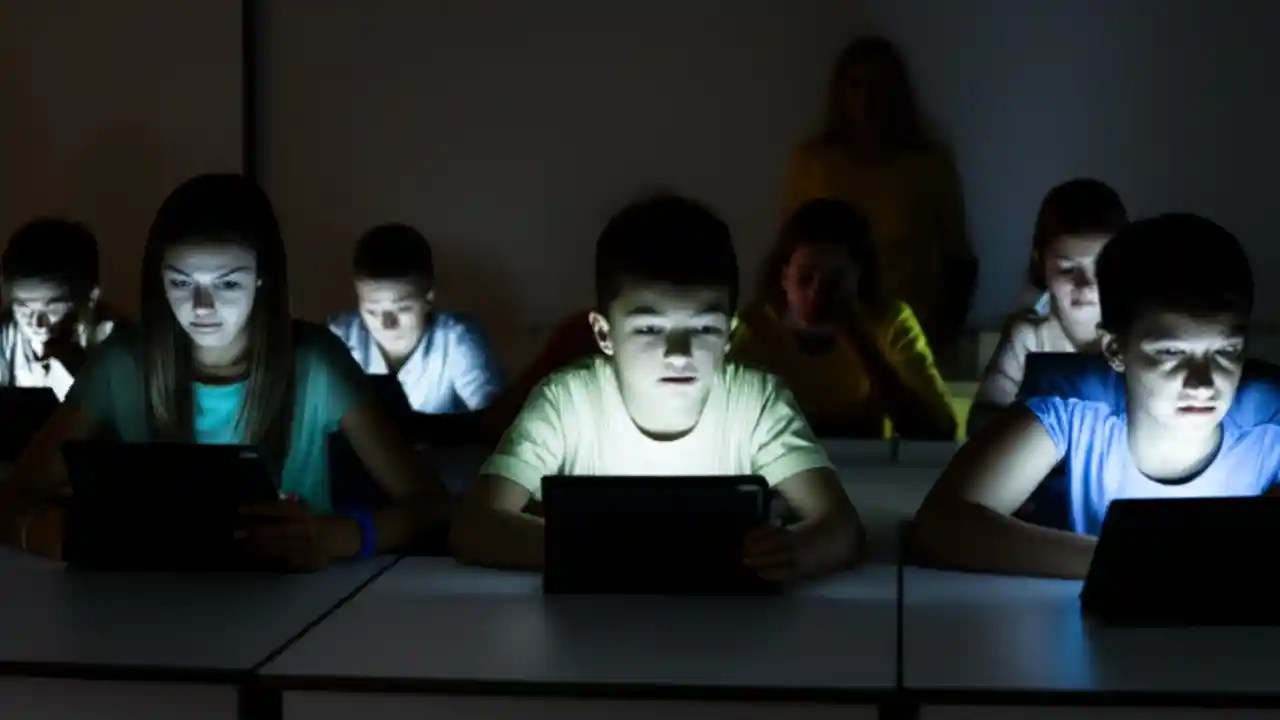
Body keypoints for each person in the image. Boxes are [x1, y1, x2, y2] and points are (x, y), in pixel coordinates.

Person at [0, 174, 447, 569]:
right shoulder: (122, 363)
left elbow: (430, 504)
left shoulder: (314, 362)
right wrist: (56, 533)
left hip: (294, 612)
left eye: (227, 283)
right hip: (142, 606)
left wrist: (340, 537)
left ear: (261, 277)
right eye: (180, 283)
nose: (201, 308)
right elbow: (13, 497)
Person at [450, 193, 864, 581]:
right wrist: (615, 553)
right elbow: (476, 524)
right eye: (650, 328)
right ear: (604, 332)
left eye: (703, 328)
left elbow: (842, 527)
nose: (678, 353)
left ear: (729, 333)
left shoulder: (756, 402)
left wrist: (794, 550)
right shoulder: (566, 402)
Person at [911, 214, 1280, 579]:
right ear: (1115, 350)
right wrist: (1145, 561)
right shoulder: (1073, 413)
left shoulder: (1270, 428)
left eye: (1226, 352)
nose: (1202, 383)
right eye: (1170, 353)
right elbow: (941, 524)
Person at [782, 35, 975, 349]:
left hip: (909, 328)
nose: (868, 98)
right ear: (840, 93)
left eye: (880, 85)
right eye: (856, 85)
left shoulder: (926, 164)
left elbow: (958, 258)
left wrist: (943, 335)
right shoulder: (814, 161)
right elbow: (790, 250)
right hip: (823, 329)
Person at [732, 199, 954, 439]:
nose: (816, 294)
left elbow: (939, 430)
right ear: (784, 277)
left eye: (834, 282)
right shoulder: (754, 328)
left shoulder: (889, 323)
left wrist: (857, 339)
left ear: (859, 278)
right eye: (805, 278)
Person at [968, 179, 1128, 434]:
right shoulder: (1028, 338)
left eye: (1100, 267)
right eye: (1067, 269)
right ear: (1040, 263)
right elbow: (981, 422)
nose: (1085, 284)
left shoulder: (1138, 335)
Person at [329, 223, 505, 414]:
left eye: (402, 309)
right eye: (372, 311)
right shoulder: (338, 338)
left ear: (428, 298)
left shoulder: (457, 339)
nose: (387, 324)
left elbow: (493, 419)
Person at [0, 218, 116, 400]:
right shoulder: (7, 336)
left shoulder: (116, 347)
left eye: (51, 309)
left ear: (90, 297)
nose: (37, 324)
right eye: (23, 309)